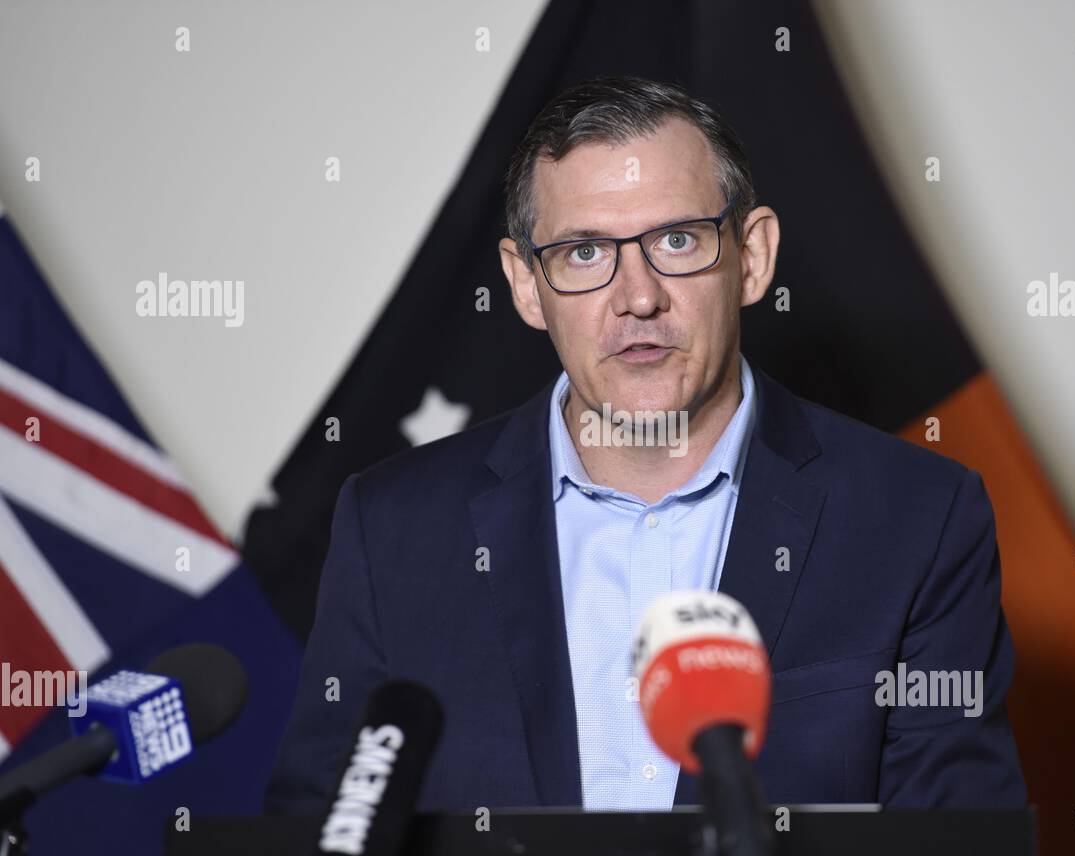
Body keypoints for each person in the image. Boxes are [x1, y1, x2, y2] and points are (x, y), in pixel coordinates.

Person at [264, 75, 1026, 815]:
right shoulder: (391, 527)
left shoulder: (920, 520)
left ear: (752, 258)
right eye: (585, 253)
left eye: (677, 238)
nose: (637, 296)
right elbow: (317, 833)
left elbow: (956, 845)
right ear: (527, 285)